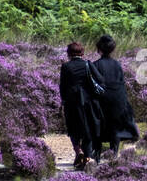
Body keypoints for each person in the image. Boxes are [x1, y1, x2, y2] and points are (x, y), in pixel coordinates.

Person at [92, 35, 139, 160]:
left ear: (99, 49)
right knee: (115, 127)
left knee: (99, 126)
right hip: (118, 99)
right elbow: (121, 82)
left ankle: (97, 154)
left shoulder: (95, 65)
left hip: (101, 100)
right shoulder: (117, 64)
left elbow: (93, 85)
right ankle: (114, 154)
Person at [59, 41, 104, 169]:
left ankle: (78, 151)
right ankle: (88, 156)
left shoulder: (66, 67)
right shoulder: (87, 64)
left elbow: (62, 86)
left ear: (69, 53)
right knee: (88, 129)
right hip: (88, 102)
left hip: (71, 103)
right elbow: (100, 80)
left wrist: (63, 101)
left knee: (73, 129)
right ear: (82, 53)